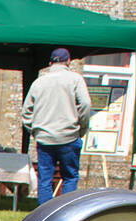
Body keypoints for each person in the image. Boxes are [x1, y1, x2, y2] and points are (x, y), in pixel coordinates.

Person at [22, 48, 93, 203]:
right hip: (69, 135)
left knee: (45, 179)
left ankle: (44, 213)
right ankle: (64, 210)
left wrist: (34, 130)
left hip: (45, 137)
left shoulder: (38, 82)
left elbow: (26, 111)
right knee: (69, 176)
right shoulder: (75, 79)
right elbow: (86, 104)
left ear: (50, 63)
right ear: (68, 62)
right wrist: (81, 127)